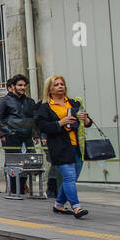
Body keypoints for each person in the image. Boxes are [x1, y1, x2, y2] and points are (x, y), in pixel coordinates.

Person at [35, 74, 93, 218]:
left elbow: (88, 123)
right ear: (49, 89)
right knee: (69, 178)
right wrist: (60, 122)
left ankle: (59, 204)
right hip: (59, 147)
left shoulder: (73, 103)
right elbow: (42, 126)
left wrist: (85, 119)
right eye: (56, 84)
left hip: (77, 146)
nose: (60, 86)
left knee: (72, 179)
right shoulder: (45, 107)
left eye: (62, 84)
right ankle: (77, 207)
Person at [0, 74, 37, 196]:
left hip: (27, 137)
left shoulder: (30, 101)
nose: (23, 87)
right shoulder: (4, 101)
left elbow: (33, 118)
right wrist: (8, 132)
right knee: (13, 163)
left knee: (28, 163)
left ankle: (21, 187)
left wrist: (36, 134)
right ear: (13, 86)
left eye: (24, 85)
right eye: (20, 85)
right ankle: (13, 189)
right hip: (13, 137)